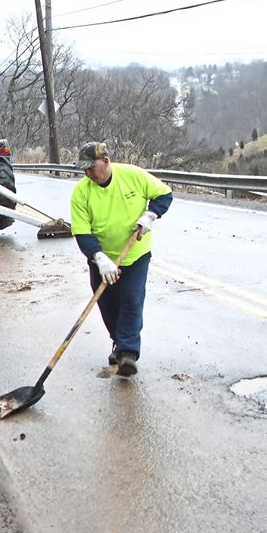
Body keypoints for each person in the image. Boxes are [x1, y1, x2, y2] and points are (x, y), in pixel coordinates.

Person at [70, 141, 173, 377]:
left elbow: (164, 194)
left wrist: (151, 214)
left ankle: (128, 352)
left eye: (91, 167)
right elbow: (82, 232)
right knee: (107, 303)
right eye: (84, 169)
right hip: (101, 258)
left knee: (131, 298)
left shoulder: (132, 175)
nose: (87, 173)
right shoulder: (81, 193)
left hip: (135, 255)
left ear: (105, 162)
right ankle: (118, 342)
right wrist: (98, 257)